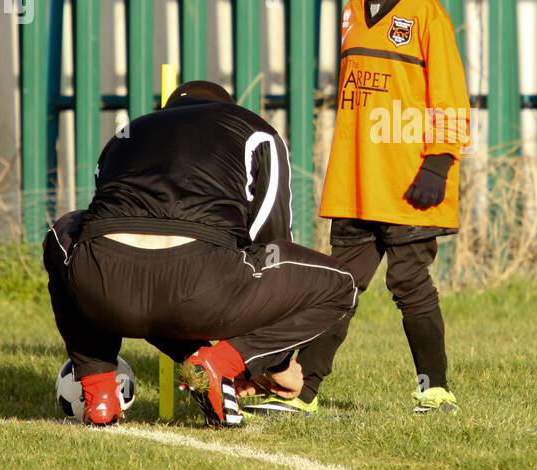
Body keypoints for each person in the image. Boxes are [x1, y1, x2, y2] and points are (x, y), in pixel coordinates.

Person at [244, 0, 471, 417]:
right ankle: (303, 391)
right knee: (336, 289)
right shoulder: (350, 14)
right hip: (355, 186)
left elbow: (452, 97)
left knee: (409, 285)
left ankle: (433, 388)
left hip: (409, 184)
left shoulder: (427, 16)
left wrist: (438, 164)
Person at [42, 80, 359, 427]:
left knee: (65, 231)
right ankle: (221, 364)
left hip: (106, 288)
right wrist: (271, 361)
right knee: (342, 285)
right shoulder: (257, 132)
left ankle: (99, 392)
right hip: (200, 284)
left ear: (168, 112)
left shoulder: (128, 133)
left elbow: (103, 224)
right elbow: (271, 240)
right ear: (227, 108)